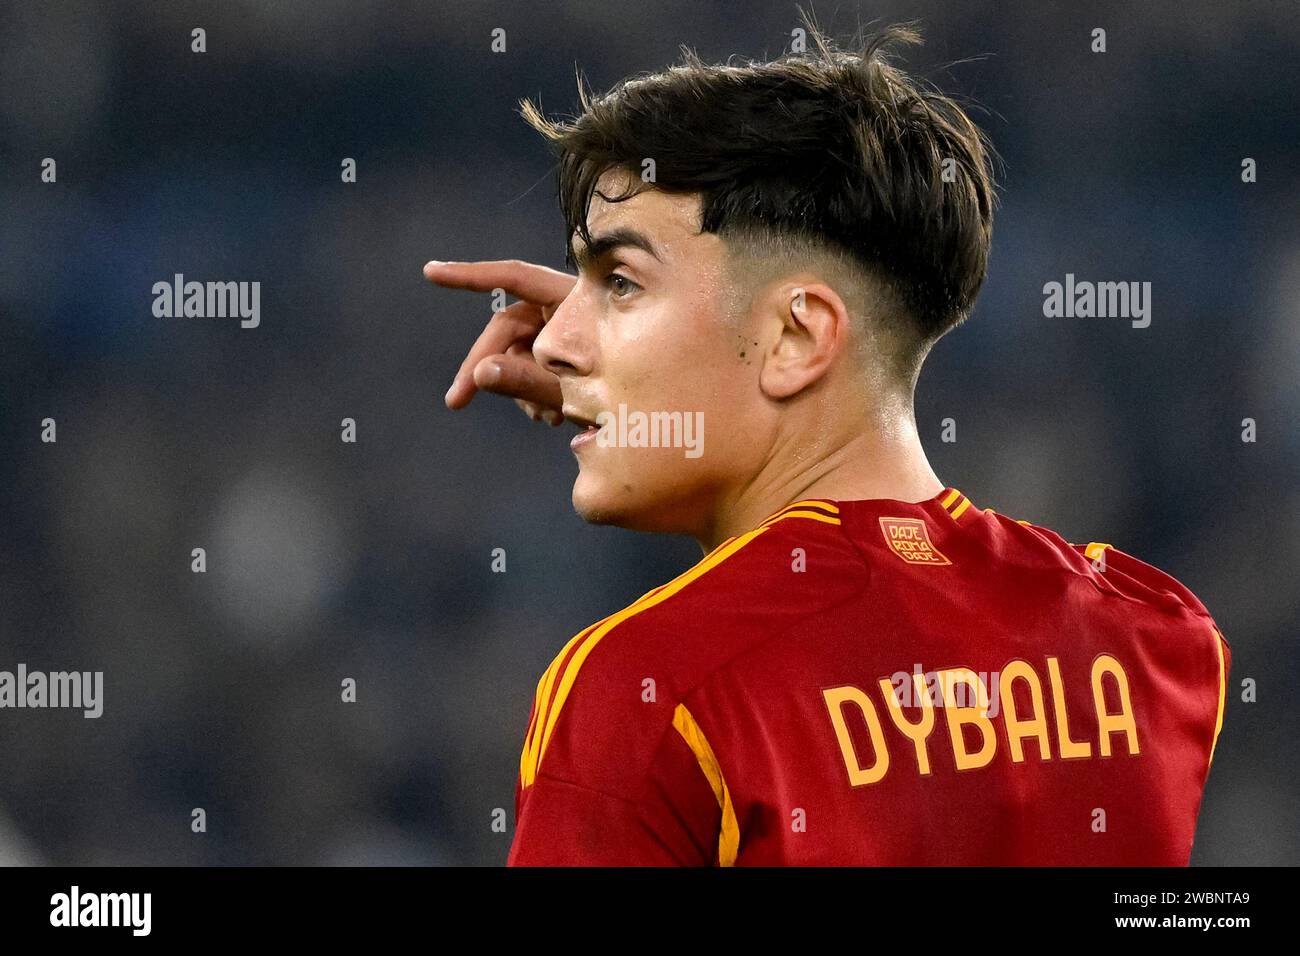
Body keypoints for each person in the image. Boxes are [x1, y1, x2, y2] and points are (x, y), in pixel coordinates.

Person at [424, 21, 1229, 865]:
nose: (553, 343)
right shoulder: (1155, 637)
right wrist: (653, 358)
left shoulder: (650, 692)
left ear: (800, 337)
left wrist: (667, 367)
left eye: (621, 281)